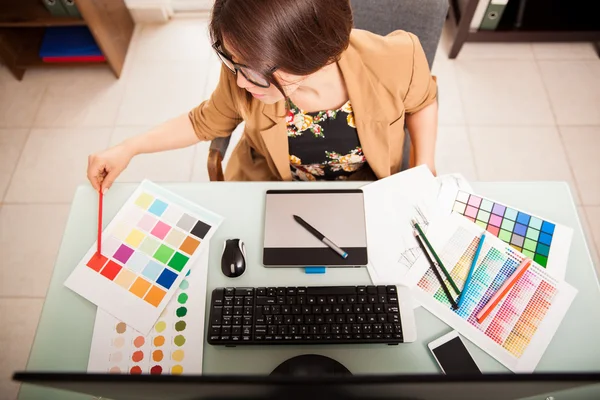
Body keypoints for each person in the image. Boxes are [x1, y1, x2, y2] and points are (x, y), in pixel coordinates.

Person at [87, 0, 438, 191]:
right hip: (274, 186)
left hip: (369, 189)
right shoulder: (244, 72)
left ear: (312, 56)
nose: (240, 83)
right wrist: (128, 148)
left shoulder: (397, 57)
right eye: (231, 61)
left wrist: (424, 166)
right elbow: (202, 122)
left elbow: (422, 102)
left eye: (251, 72)